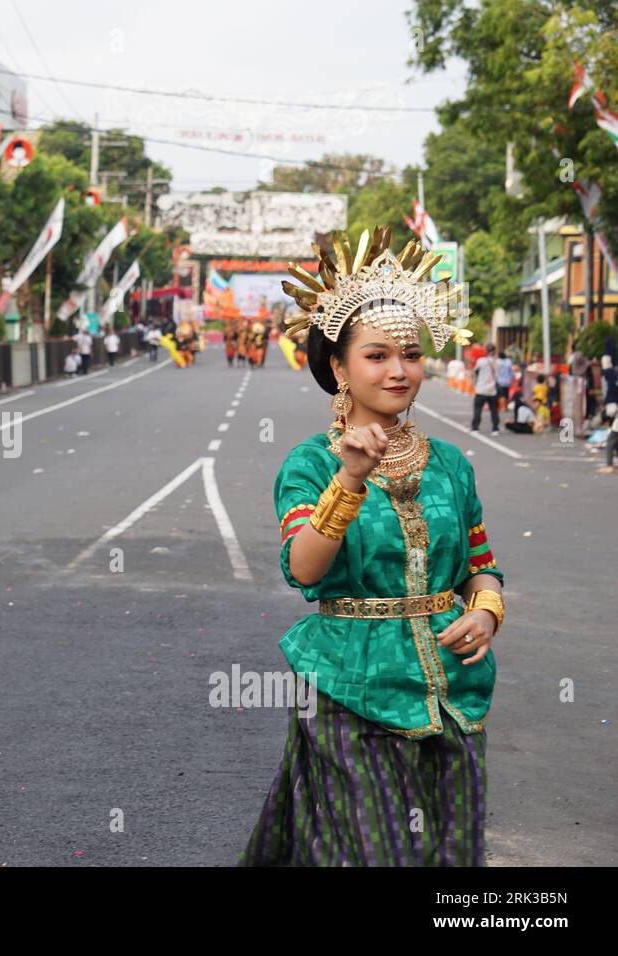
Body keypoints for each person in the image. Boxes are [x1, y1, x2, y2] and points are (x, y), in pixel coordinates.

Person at [242, 226, 504, 866]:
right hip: (350, 686)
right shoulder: (310, 465)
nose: (399, 370)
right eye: (378, 355)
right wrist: (351, 477)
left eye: (411, 354)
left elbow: (483, 567)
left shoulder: (450, 464)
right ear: (338, 367)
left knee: (454, 860)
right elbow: (302, 571)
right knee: (376, 852)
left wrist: (487, 611)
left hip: (451, 691)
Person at [470, 343, 500, 435]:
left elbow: (474, 371)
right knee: (494, 410)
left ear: (486, 351)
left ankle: (475, 429)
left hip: (481, 389)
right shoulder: (497, 362)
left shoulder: (481, 361)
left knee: (478, 409)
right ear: (495, 351)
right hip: (492, 390)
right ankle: (495, 429)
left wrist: (473, 382)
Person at [494, 347, 513, 412]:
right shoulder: (508, 361)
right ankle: (506, 407)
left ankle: (502, 408)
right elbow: (511, 371)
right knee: (506, 394)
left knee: (501, 395)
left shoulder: (497, 362)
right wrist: (511, 378)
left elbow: (495, 371)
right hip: (507, 381)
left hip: (499, 381)